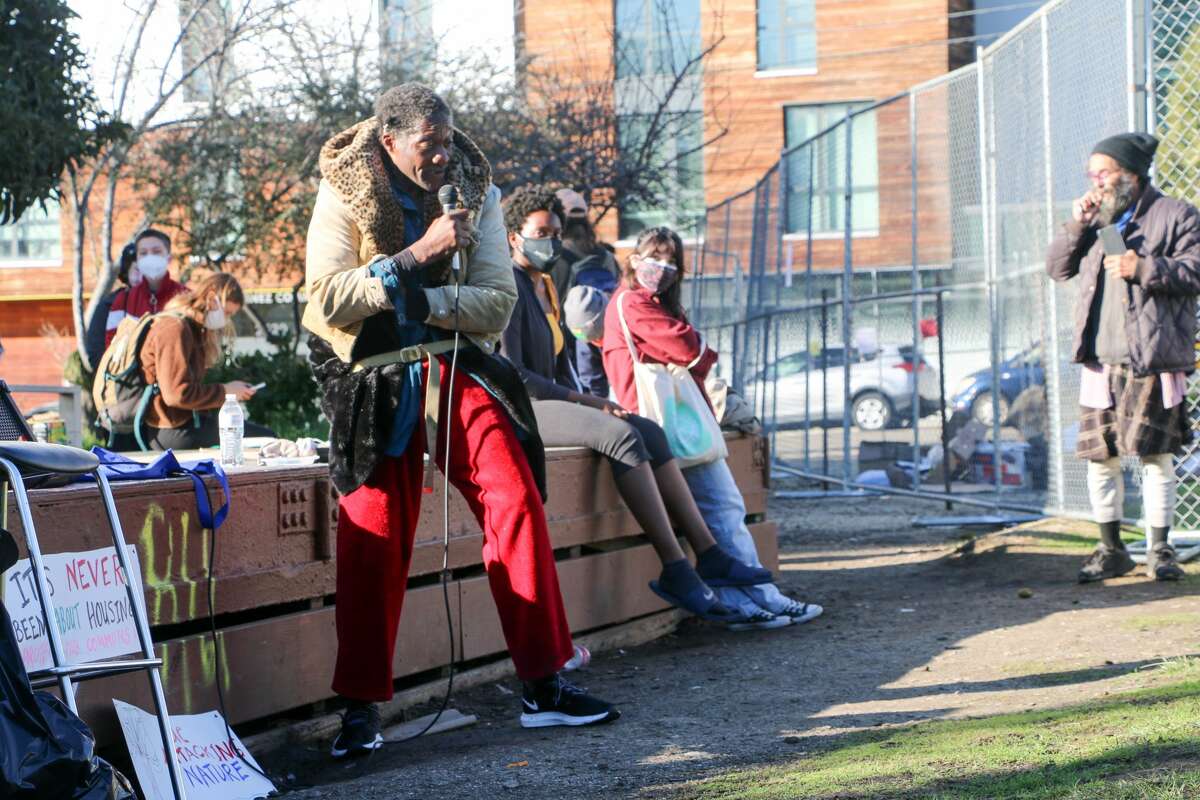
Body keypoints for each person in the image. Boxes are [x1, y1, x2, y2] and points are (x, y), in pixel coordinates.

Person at [302, 84, 618, 759]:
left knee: (516, 499)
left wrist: (422, 293)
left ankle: (543, 685)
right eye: (428, 145)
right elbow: (327, 299)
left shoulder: (478, 188)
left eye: (448, 141)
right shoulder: (343, 185)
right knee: (374, 534)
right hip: (374, 373)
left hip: (456, 362)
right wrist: (419, 255)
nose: (443, 156)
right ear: (389, 141)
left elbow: (496, 304)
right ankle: (358, 711)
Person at [498, 185, 777, 629]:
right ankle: (676, 567)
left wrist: (595, 403)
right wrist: (588, 402)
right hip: (521, 408)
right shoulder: (508, 285)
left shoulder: (545, 285)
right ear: (513, 236)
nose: (549, 241)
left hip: (555, 403)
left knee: (646, 428)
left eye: (555, 232)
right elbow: (514, 377)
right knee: (621, 435)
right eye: (539, 232)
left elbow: (560, 364)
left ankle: (709, 556)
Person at [602, 226, 824, 626]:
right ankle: (760, 598)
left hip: (667, 424)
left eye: (672, 262)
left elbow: (686, 348)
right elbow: (691, 350)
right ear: (634, 259)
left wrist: (689, 346)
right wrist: (694, 346)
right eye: (656, 257)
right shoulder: (634, 302)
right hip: (664, 424)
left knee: (717, 512)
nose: (664, 268)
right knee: (723, 507)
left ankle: (744, 603)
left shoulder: (646, 301)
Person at [1047, 132, 1200, 583]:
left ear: (1130, 175)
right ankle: (1111, 549)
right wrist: (1077, 225)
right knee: (1101, 458)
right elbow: (1057, 268)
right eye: (1091, 174)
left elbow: (1196, 269)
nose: (1096, 182)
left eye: (1104, 173)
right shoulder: (1098, 222)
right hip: (1100, 360)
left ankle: (1160, 550)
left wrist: (1145, 268)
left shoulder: (1175, 215)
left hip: (1151, 359)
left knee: (1156, 456)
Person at [108, 273, 262, 451]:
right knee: (264, 439)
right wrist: (225, 391)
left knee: (254, 437)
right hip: (169, 431)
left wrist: (227, 391)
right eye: (226, 313)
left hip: (176, 425)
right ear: (211, 299)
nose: (226, 320)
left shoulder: (190, 327)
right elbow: (177, 394)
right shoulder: (174, 328)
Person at [105, 229, 186, 346]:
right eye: (143, 253)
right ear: (137, 259)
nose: (150, 257)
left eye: (156, 251)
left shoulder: (185, 297)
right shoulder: (123, 300)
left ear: (169, 258)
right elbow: (111, 346)